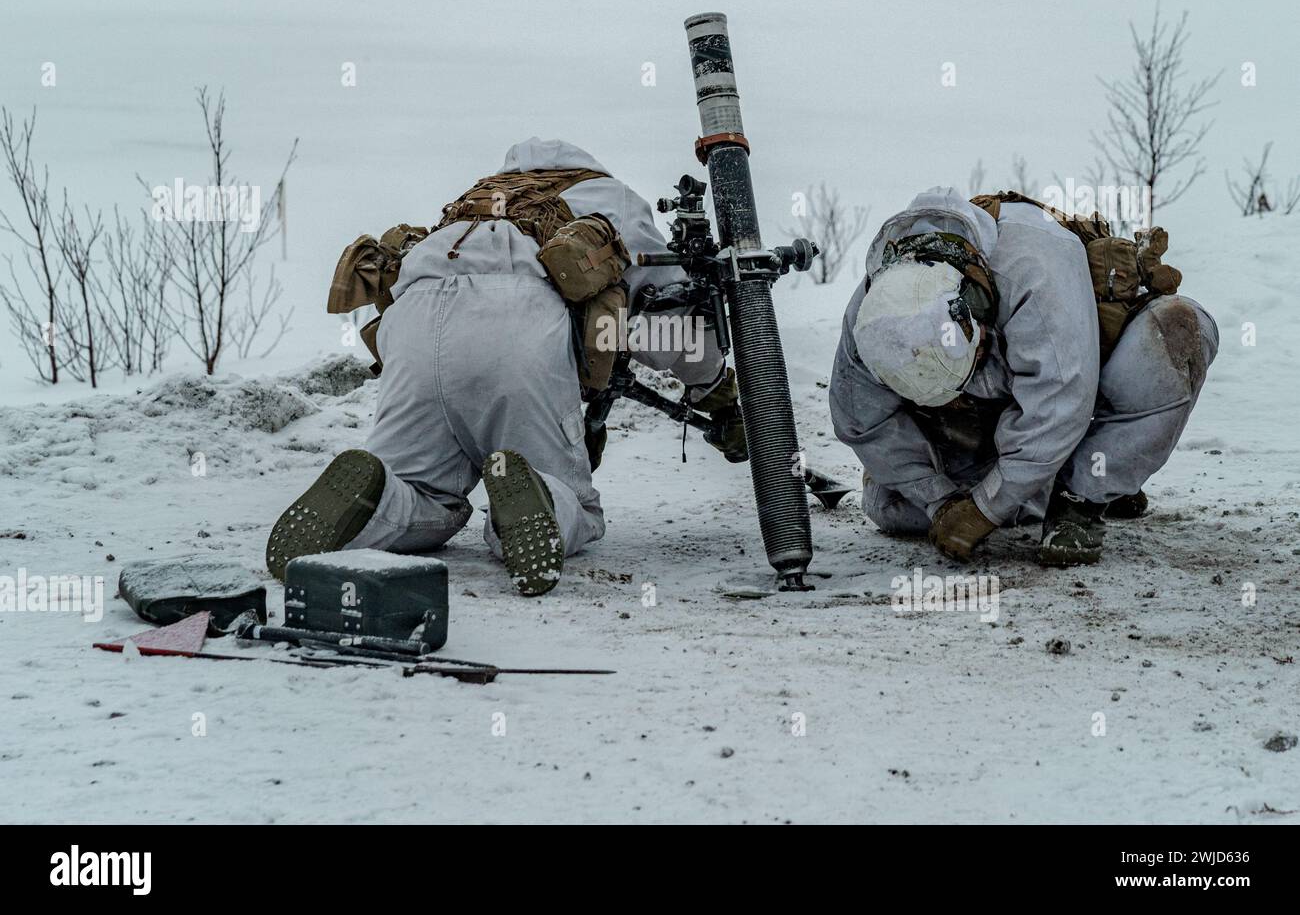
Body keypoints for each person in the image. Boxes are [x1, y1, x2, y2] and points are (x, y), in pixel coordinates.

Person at [266, 138, 741, 596]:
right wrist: (713, 389)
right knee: (574, 504)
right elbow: (667, 322)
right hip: (518, 323)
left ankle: (370, 506)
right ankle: (542, 497)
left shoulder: (480, 197)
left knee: (424, 494)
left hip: (410, 325)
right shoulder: (610, 196)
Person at [829, 186, 1217, 565]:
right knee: (894, 508)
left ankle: (1080, 496)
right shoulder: (872, 318)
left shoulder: (1035, 269)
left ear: (974, 307)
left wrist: (984, 510)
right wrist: (939, 501)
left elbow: (1060, 405)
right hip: (982, 426)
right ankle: (1043, 483)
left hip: (1072, 394)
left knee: (1179, 330)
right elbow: (861, 419)